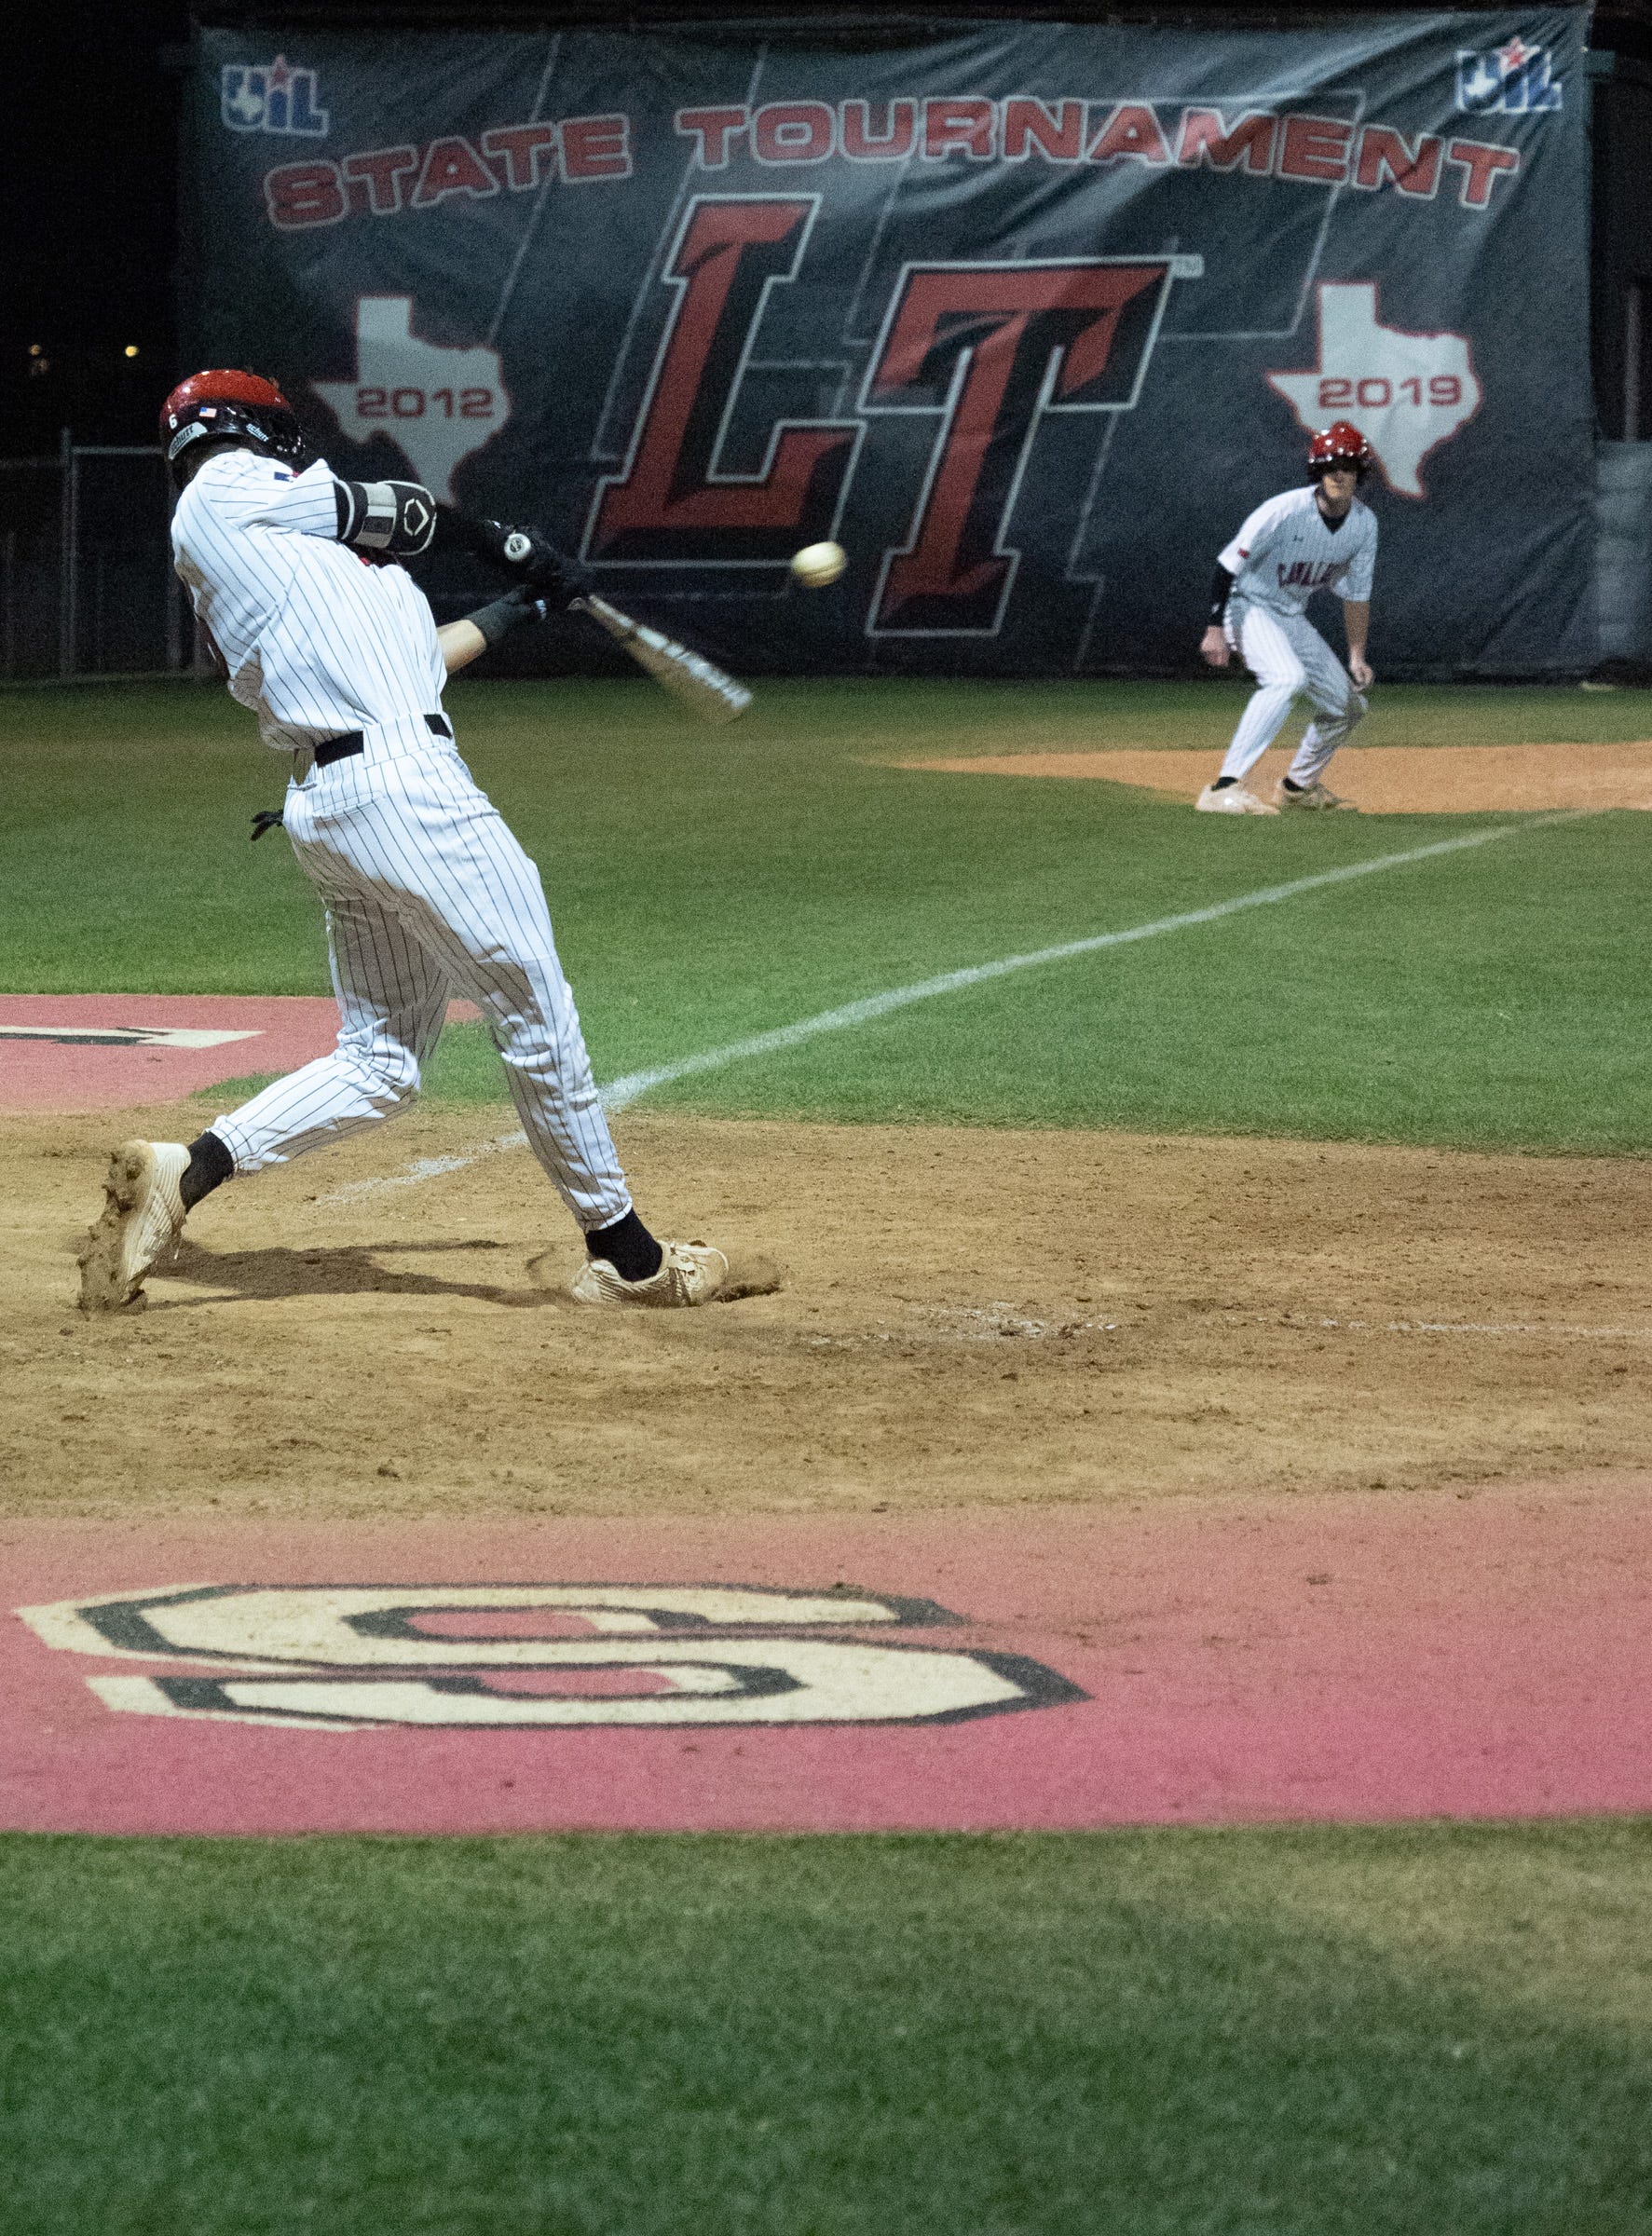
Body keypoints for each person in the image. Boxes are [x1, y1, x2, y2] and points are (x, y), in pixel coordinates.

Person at [78, 368, 747, 1313]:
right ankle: (630, 1259)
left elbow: (419, 661)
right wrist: (504, 541)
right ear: (255, 431)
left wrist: (527, 603)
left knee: (383, 1061)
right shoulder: (221, 488)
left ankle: (185, 1173)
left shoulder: (301, 557)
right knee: (534, 1006)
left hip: (346, 800)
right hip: (404, 795)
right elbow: (398, 508)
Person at [1195, 420, 1378, 814]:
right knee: (1286, 678)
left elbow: (1358, 595)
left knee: (1347, 706)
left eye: (1348, 467)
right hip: (1249, 604)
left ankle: (1298, 788)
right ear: (1318, 471)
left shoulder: (1364, 525)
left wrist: (1357, 656)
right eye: (1331, 467)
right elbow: (1227, 566)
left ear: (1360, 474)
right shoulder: (1282, 511)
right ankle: (1223, 787)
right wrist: (1215, 630)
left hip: (1290, 614)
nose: (1339, 474)